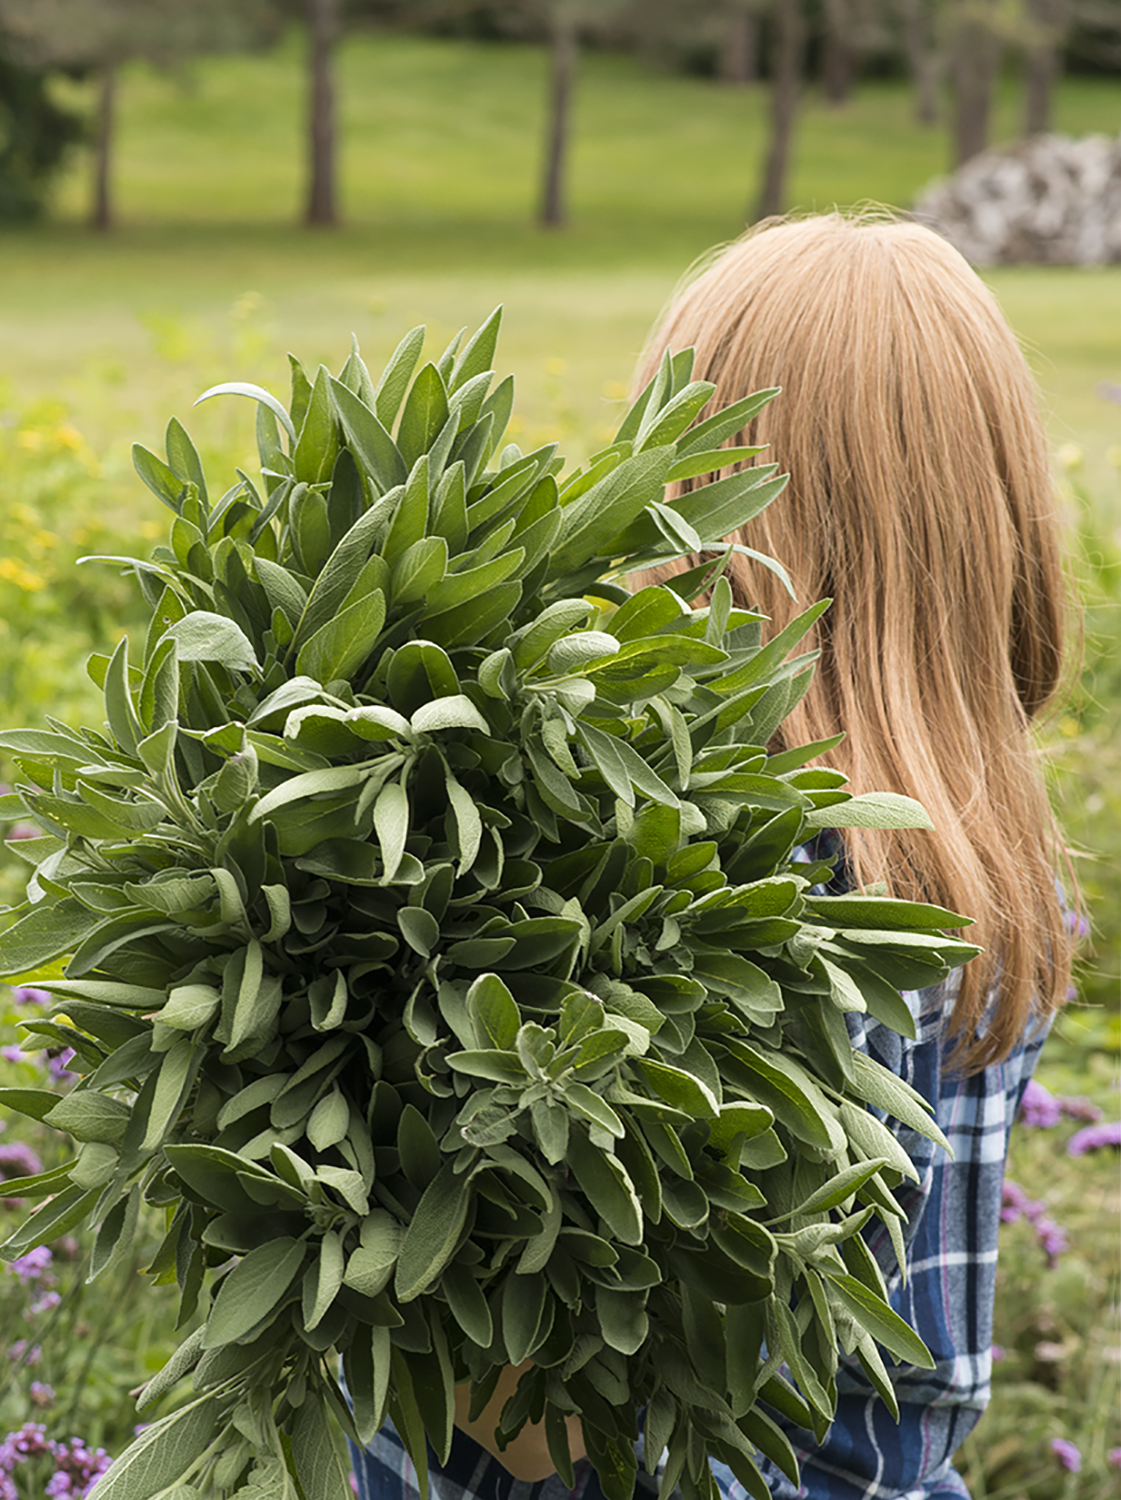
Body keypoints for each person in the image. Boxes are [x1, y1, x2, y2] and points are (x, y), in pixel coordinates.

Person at [349, 211, 1078, 1499]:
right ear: (994, 523)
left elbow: (601, 1435)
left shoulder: (733, 892)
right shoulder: (993, 866)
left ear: (700, 507)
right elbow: (891, 1406)